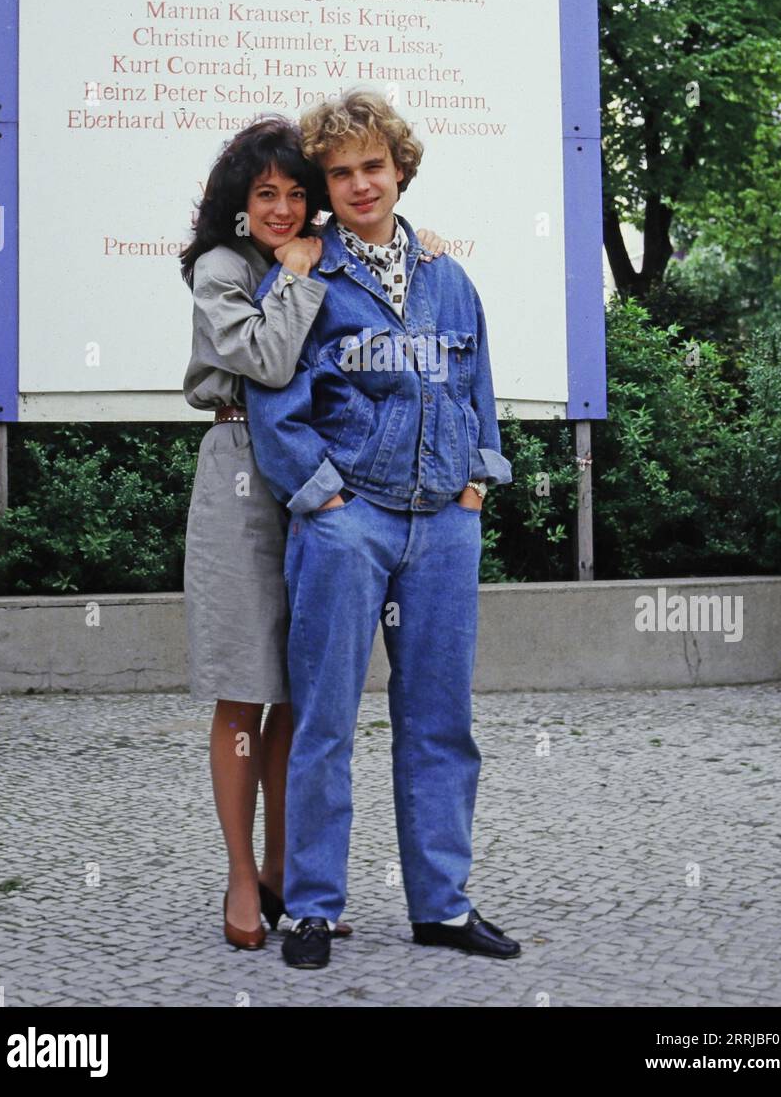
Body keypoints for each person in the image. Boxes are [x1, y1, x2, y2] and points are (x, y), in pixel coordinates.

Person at [244, 89, 521, 969]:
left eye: (373, 165)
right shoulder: (308, 278)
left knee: (441, 721)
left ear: (399, 169)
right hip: (347, 525)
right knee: (324, 719)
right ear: (327, 186)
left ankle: (440, 905)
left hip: (444, 526)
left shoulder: (448, 277)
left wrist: (477, 486)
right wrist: (324, 504)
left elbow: (477, 390)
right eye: (341, 172)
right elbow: (275, 405)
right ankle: (315, 908)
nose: (360, 183)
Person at [180, 113, 445, 951]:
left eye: (298, 193)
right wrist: (295, 276)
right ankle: (237, 878)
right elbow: (261, 362)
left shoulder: (323, 255)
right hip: (238, 472)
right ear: (238, 202)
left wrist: (415, 239)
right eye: (266, 194)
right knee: (241, 690)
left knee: (301, 694)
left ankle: (286, 872)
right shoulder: (224, 269)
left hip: (322, 471)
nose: (284, 208)